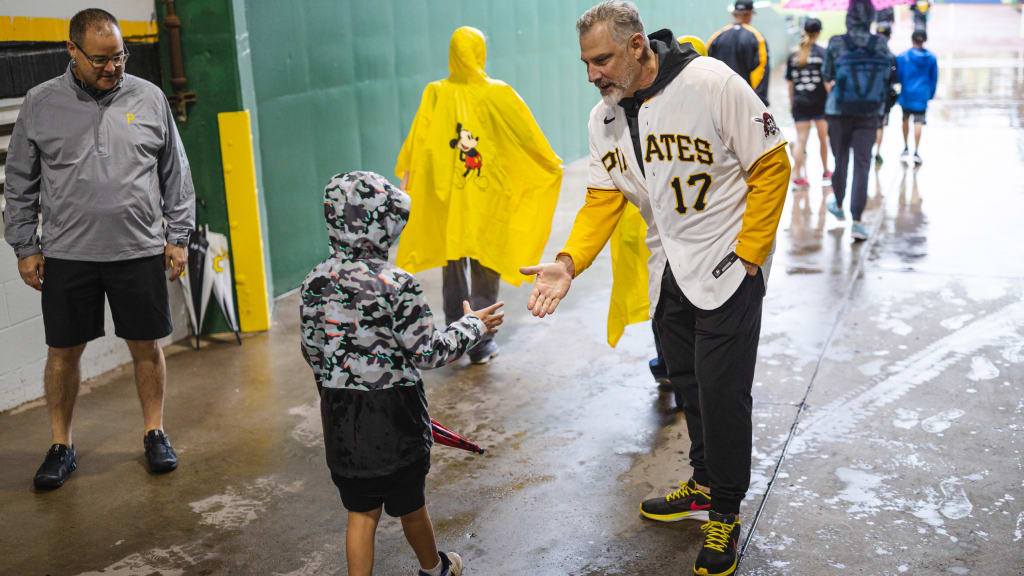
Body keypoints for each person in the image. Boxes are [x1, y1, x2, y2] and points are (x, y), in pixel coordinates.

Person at [520, 2, 790, 574]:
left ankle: (725, 512)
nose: (591, 74)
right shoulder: (605, 119)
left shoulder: (711, 83)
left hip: (728, 269)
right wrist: (569, 262)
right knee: (688, 386)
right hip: (668, 271)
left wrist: (749, 255)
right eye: (585, 63)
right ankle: (702, 484)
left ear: (637, 45)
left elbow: (771, 164)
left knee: (723, 396)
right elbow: (602, 198)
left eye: (601, 60)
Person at [3, 8, 195, 490]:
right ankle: (61, 445)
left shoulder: (149, 98)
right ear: (72, 50)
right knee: (63, 352)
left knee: (146, 346)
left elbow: (175, 173)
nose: (113, 67)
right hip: (69, 253)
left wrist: (178, 236)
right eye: (101, 59)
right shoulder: (41, 103)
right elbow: (20, 182)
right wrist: (25, 246)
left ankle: (155, 432)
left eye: (120, 56)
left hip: (139, 249)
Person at [299, 171, 504, 576]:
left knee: (361, 513)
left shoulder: (314, 282)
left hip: (341, 416)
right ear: (383, 225)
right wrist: (473, 326)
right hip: (395, 416)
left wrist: (341, 384)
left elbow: (313, 351)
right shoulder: (396, 284)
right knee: (411, 505)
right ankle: (435, 569)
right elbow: (428, 352)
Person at [395, 26, 562, 365]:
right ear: (480, 53)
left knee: (453, 270)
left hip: (450, 204)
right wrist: (550, 164)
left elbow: (416, 144)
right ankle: (482, 344)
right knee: (487, 268)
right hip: (489, 202)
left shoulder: (436, 93)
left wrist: (408, 182)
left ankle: (454, 338)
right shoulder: (497, 93)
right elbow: (527, 136)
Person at [821, 0, 895, 241]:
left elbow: (827, 74)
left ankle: (838, 204)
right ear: (871, 16)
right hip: (870, 112)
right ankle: (858, 221)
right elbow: (889, 74)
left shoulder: (836, 42)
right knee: (863, 164)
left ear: (848, 17)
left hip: (839, 111)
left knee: (840, 160)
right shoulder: (880, 43)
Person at [785, 17, 831, 190]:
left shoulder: (793, 55)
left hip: (800, 102)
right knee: (823, 139)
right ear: (819, 33)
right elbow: (827, 82)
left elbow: (790, 84)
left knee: (801, 140)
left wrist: (792, 104)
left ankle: (797, 176)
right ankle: (826, 171)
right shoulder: (823, 53)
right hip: (820, 102)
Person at [708, 0, 771, 106]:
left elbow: (707, 66)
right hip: (745, 100)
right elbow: (761, 69)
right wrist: (759, 100)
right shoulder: (756, 37)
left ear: (734, 13)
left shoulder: (717, 36)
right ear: (751, 13)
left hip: (720, 99)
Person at [897, 30, 938, 166]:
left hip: (907, 94)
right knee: (918, 123)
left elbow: (898, 76)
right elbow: (934, 78)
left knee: (905, 120)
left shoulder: (903, 57)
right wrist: (930, 94)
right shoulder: (931, 58)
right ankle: (916, 151)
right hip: (922, 94)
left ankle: (906, 147)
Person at [873, 21, 899, 167]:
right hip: (884, 96)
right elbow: (894, 79)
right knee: (880, 126)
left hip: (868, 95)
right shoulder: (891, 57)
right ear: (889, 37)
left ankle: (870, 149)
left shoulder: (868, 54)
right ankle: (877, 151)